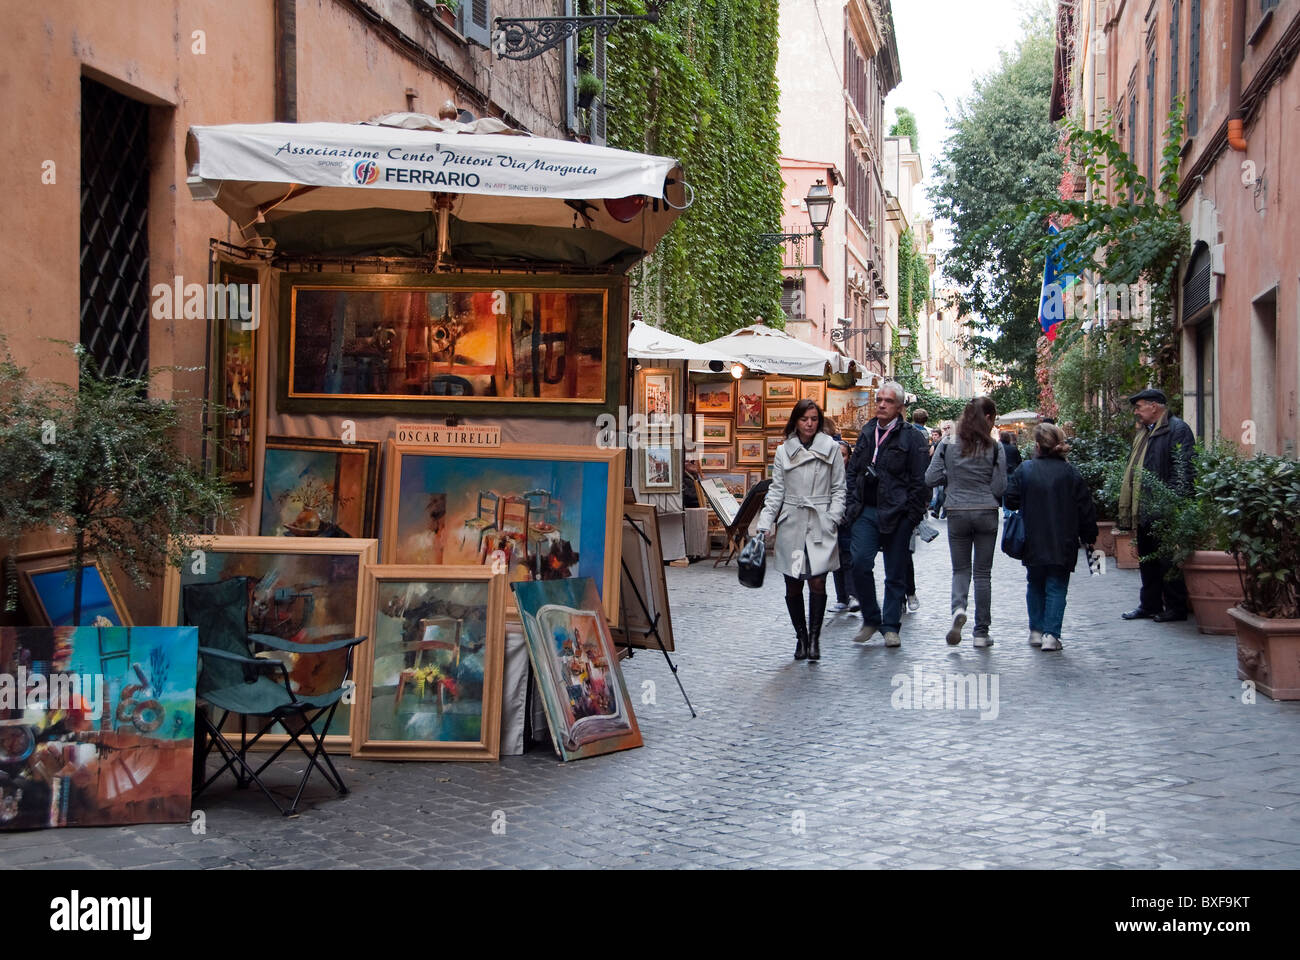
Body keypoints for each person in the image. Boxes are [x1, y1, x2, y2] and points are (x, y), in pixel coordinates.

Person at [756, 399, 847, 662]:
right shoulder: (785, 451)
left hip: (820, 522)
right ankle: (801, 637)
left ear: (819, 421)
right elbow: (777, 490)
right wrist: (765, 523)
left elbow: (839, 488)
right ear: (795, 420)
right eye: (804, 419)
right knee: (793, 583)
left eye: (814, 419)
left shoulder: (831, 449)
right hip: (792, 522)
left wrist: (833, 517)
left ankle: (816, 639)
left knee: (818, 581)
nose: (809, 424)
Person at [845, 381, 929, 647]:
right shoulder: (868, 431)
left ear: (900, 407)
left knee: (895, 573)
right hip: (866, 509)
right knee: (859, 563)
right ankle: (871, 618)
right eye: (879, 399)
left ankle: (891, 626)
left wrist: (911, 515)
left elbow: (920, 480)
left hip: (898, 513)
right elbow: (853, 470)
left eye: (888, 401)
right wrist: (851, 503)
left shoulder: (912, 437)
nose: (881, 404)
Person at [1004, 422, 1098, 651]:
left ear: (1037, 445)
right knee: (1056, 585)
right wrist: (1090, 535)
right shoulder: (1070, 472)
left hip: (1033, 537)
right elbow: (1085, 507)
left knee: (1035, 583)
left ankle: (1036, 631)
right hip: (1063, 537)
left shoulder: (1025, 469)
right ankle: (1051, 635)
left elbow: (1010, 499)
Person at [925, 396, 1006, 647]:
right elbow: (1001, 486)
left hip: (957, 510)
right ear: (989, 418)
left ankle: (958, 609)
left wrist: (953, 477)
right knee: (983, 574)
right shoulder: (995, 447)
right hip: (985, 510)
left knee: (960, 569)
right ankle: (981, 633)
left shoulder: (948, 443)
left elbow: (931, 478)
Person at [1116, 387, 1196, 623]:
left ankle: (1175, 607)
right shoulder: (1145, 433)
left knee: (1167, 559)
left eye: (1139, 407)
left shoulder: (1177, 429)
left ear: (1155, 406)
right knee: (1148, 558)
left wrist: (1171, 502)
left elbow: (1183, 469)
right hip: (1145, 506)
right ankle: (1149, 604)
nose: (1136, 412)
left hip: (1164, 507)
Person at [902, 409, 931, 613]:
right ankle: (902, 596)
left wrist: (917, 507)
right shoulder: (925, 435)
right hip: (893, 505)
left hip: (907, 505)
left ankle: (908, 593)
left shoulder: (914, 436)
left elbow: (921, 475)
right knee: (899, 555)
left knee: (903, 553)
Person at [829, 440, 860, 613]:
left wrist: (847, 515)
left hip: (848, 521)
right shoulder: (826, 474)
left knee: (848, 559)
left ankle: (852, 595)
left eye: (843, 455)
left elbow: (855, 496)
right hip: (832, 522)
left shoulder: (852, 475)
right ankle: (842, 597)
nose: (840, 459)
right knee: (836, 560)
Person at [999, 431, 1023, 518]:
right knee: (1011, 490)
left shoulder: (999, 448)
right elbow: (1019, 461)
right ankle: (1011, 511)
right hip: (1012, 472)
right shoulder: (1013, 448)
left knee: (1004, 492)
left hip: (1002, 472)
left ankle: (1006, 511)